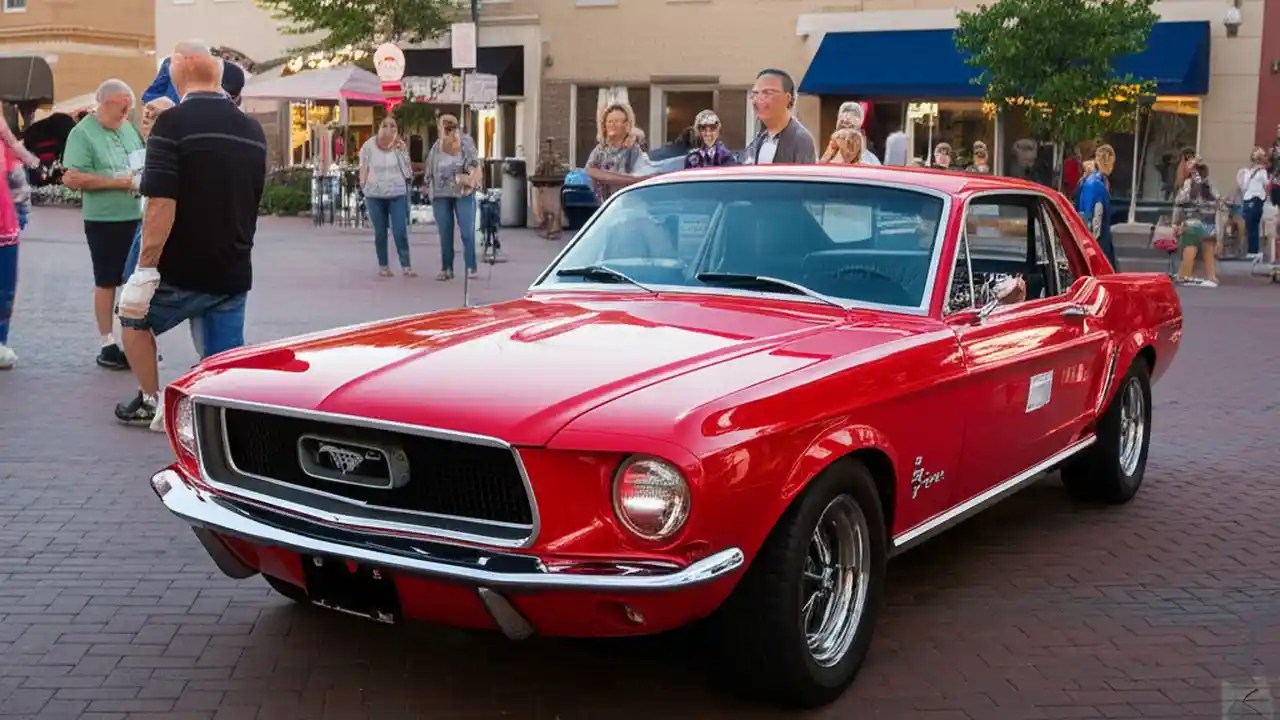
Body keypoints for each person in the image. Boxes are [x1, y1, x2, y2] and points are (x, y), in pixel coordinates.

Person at [115, 39, 268, 429]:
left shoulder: (173, 123)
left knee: (132, 319)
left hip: (181, 268)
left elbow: (161, 203)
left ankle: (152, 401)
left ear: (178, 68)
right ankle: (225, 424)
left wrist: (145, 269)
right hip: (233, 267)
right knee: (223, 366)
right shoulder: (252, 129)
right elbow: (253, 199)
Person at [61, 79, 145, 370]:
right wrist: (119, 183)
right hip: (104, 219)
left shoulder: (128, 129)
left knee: (137, 281)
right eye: (122, 109)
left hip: (135, 215)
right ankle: (107, 342)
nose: (125, 115)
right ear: (105, 103)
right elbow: (73, 179)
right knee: (107, 280)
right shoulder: (82, 133)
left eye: (128, 110)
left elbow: (139, 161)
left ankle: (136, 339)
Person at [0, 115, 38, 369]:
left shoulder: (6, 150)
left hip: (4, 229)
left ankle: (1, 340)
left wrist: (22, 213)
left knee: (4, 290)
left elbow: (18, 184)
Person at [425, 113, 481, 281]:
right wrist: (428, 186)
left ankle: (471, 266)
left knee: (466, 231)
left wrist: (470, 175)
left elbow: (473, 162)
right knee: (445, 233)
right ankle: (446, 268)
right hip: (441, 195)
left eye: (451, 125)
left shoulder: (465, 142)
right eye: (444, 125)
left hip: (462, 192)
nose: (448, 128)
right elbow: (430, 170)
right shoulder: (437, 146)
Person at [359, 114, 414, 277]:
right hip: (374, 194)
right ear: (378, 128)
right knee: (380, 231)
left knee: (400, 230)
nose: (389, 129)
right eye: (385, 125)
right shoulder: (368, 146)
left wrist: (403, 152)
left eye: (393, 126)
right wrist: (363, 185)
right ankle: (384, 266)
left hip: (397, 193)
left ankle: (406, 265)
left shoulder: (400, 147)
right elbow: (364, 167)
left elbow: (408, 171)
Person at [742, 68, 817, 165]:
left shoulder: (801, 139)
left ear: (787, 98)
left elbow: (804, 177)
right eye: (755, 94)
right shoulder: (759, 139)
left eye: (767, 93)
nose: (759, 100)